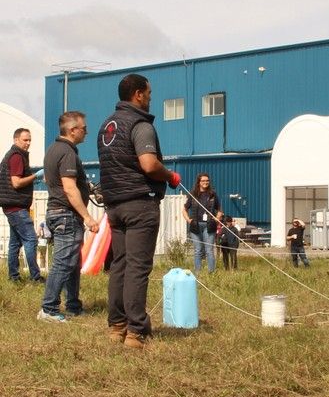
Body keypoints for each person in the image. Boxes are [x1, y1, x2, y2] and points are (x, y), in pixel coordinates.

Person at [98, 73, 181, 349]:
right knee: (137, 267)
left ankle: (116, 326)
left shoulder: (106, 127)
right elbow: (148, 164)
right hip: (139, 204)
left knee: (119, 264)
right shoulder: (140, 124)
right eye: (149, 93)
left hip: (114, 205)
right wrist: (169, 176)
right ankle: (136, 332)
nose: (150, 98)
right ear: (137, 94)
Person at [38, 111, 99, 322]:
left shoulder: (53, 149)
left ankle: (73, 305)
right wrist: (88, 218)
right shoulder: (67, 153)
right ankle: (48, 309)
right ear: (73, 130)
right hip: (66, 215)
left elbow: (51, 179)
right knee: (63, 263)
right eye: (84, 128)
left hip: (57, 213)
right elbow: (70, 188)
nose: (87, 132)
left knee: (72, 262)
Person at [0, 128, 45, 283]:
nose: (28, 143)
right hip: (16, 207)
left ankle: (13, 277)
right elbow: (16, 182)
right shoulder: (17, 156)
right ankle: (35, 277)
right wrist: (35, 176)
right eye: (25, 140)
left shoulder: (13, 155)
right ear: (16, 140)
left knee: (15, 243)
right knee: (31, 239)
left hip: (11, 206)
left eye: (30, 140)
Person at [182, 173, 222, 273]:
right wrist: (188, 220)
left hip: (209, 226)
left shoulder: (213, 194)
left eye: (207, 181)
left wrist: (217, 218)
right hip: (195, 225)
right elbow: (184, 209)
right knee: (197, 250)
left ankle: (211, 273)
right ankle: (197, 273)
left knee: (209, 250)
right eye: (203, 181)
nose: (205, 182)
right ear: (199, 182)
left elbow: (220, 210)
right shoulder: (192, 194)